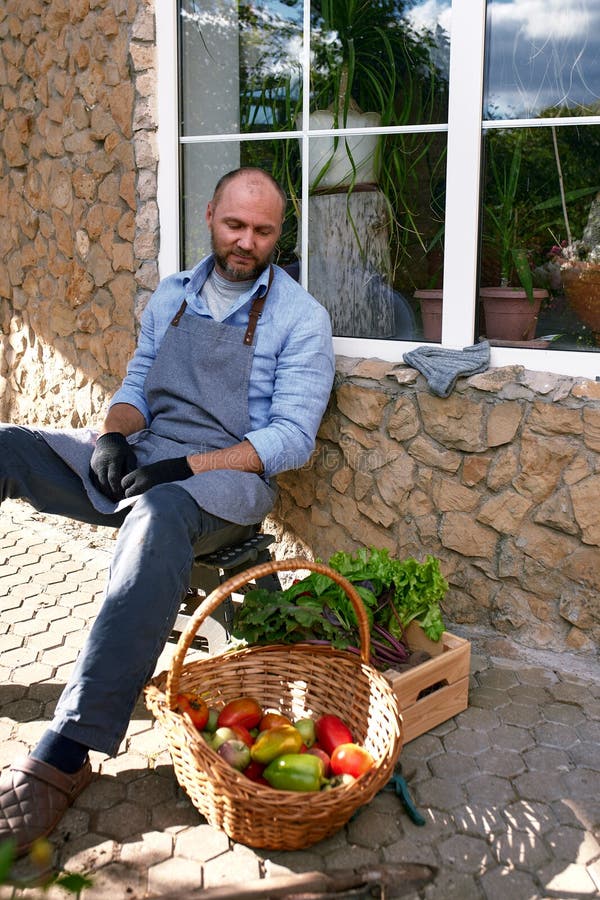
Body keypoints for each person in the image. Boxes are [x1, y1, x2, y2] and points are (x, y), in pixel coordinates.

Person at [0, 167, 335, 854]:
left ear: (278, 235)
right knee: (8, 447)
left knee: (156, 515)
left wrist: (185, 469)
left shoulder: (302, 318)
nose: (245, 242)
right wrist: (115, 435)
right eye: (234, 224)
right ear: (209, 215)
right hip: (146, 458)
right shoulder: (173, 294)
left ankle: (69, 748)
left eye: (262, 231)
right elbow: (136, 388)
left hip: (227, 485)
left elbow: (291, 440)